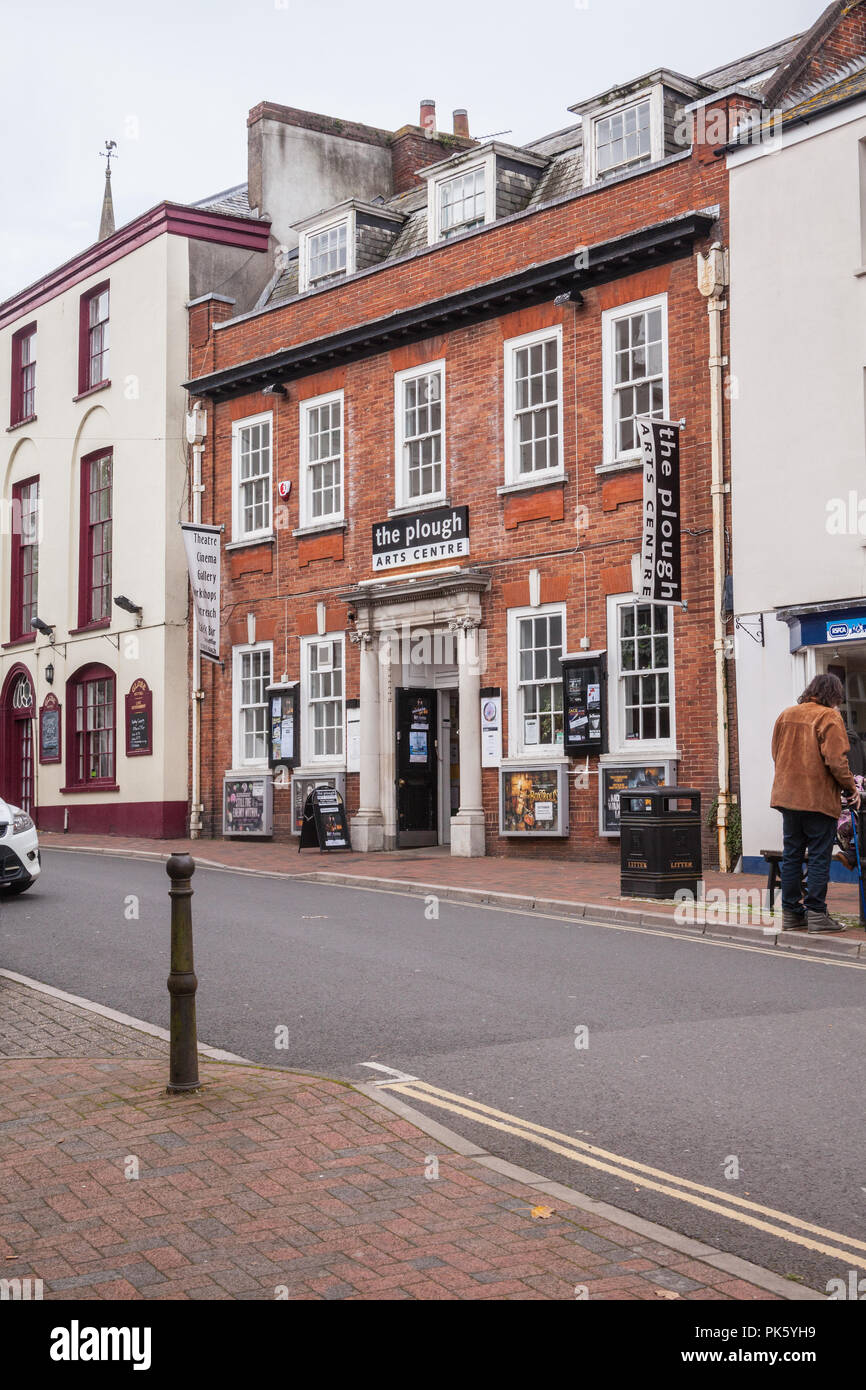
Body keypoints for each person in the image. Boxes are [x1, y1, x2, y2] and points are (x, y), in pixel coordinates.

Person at [771, 674, 860, 932]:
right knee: (819, 857)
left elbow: (776, 753)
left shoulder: (786, 715)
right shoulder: (829, 716)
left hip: (787, 797)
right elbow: (836, 761)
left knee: (792, 855)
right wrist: (850, 788)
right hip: (817, 799)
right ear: (833, 695)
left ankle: (791, 913)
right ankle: (817, 915)